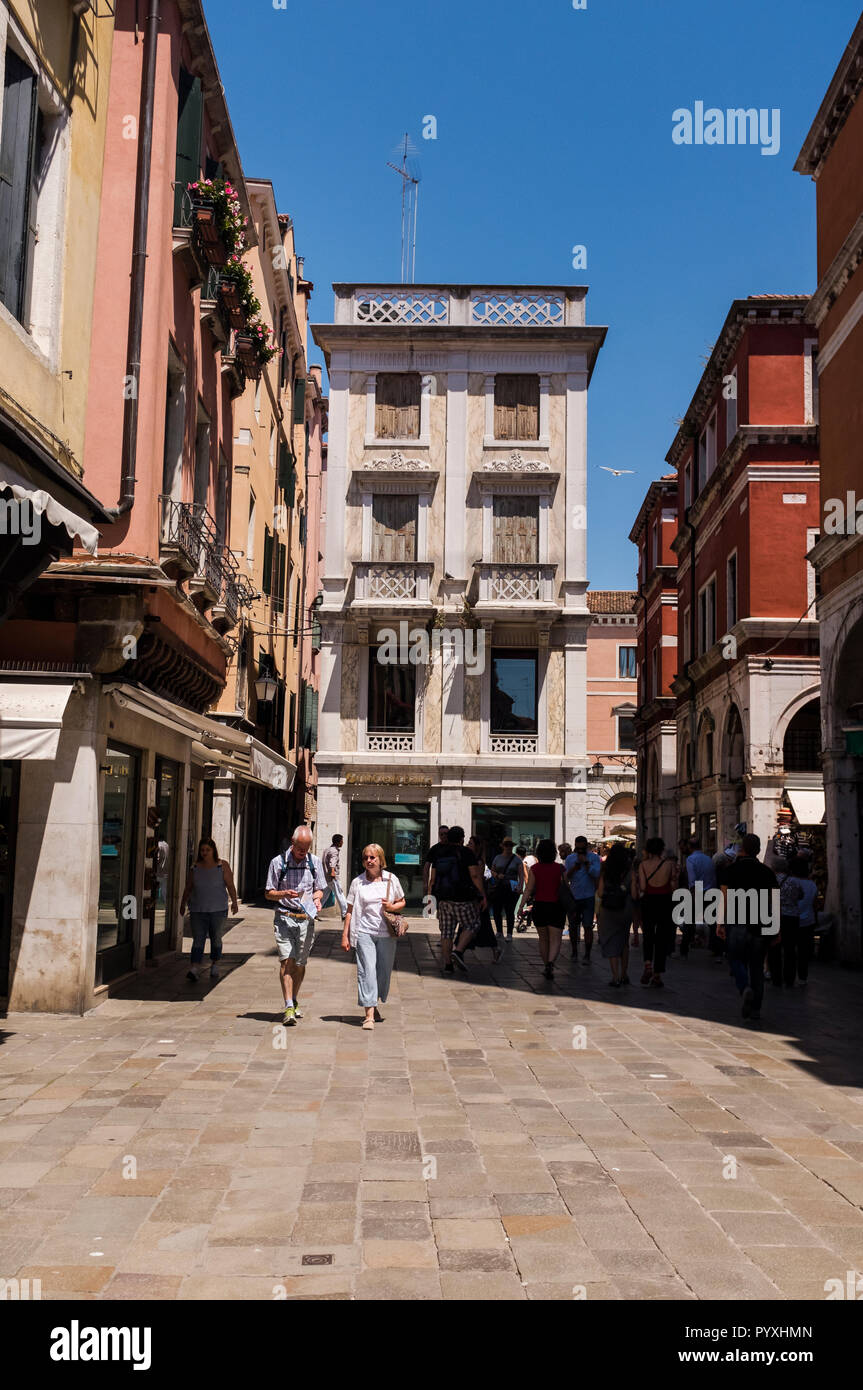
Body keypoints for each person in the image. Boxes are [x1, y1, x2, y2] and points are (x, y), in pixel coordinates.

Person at [265, 826, 327, 1026]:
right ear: (293, 843)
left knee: (300, 964)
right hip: (284, 917)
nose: (303, 851)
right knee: (286, 962)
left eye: (307, 847)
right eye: (300, 847)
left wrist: (317, 900)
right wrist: (284, 894)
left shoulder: (314, 862)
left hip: (305, 920)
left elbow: (320, 890)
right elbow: (268, 892)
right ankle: (289, 1006)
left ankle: (294, 998)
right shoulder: (278, 862)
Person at [341, 844, 406, 1030]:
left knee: (383, 973)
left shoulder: (391, 880)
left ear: (380, 860)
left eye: (372, 857)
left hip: (387, 934)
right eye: (365, 858)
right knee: (366, 971)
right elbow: (350, 910)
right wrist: (345, 935)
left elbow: (402, 901)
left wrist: (392, 907)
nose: (369, 861)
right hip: (364, 933)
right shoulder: (357, 882)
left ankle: (374, 1004)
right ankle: (368, 1014)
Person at [718, 833, 779, 1021]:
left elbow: (724, 899)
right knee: (757, 967)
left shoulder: (730, 870)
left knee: (736, 960)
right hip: (759, 925)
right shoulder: (767, 872)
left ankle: (745, 988)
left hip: (737, 923)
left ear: (741, 848)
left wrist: (720, 923)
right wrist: (776, 929)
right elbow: (774, 903)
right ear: (759, 850)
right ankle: (755, 1011)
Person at [428, 825, 486, 973]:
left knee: (446, 933)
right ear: (462, 838)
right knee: (473, 924)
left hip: (443, 900)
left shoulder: (439, 853)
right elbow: (474, 876)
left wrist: (430, 898)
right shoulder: (466, 853)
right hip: (463, 899)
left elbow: (433, 878)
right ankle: (458, 951)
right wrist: (482, 895)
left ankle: (448, 965)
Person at [180, 838, 238, 982]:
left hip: (218, 910)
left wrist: (235, 902)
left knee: (216, 938)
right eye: (202, 850)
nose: (205, 853)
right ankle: (194, 968)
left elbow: (230, 885)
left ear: (213, 851)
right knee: (198, 940)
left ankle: (215, 964)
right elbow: (188, 887)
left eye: (207, 850)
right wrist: (182, 903)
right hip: (197, 909)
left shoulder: (222, 866)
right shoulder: (195, 868)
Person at [634, 837, 678, 988]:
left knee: (648, 935)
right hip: (665, 902)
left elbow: (643, 887)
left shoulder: (643, 865)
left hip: (648, 901)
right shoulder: (669, 864)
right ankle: (658, 974)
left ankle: (647, 965)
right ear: (661, 849)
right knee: (662, 938)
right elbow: (673, 886)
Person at [524, 838, 566, 979]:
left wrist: (521, 907)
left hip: (540, 906)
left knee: (543, 939)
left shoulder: (535, 869)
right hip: (556, 906)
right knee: (555, 939)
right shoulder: (560, 868)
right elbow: (566, 887)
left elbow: (529, 889)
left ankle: (546, 965)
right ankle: (550, 963)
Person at [597, 843, 633, 986]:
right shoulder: (630, 869)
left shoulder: (605, 868)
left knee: (611, 940)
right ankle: (624, 974)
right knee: (624, 942)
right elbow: (635, 891)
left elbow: (600, 892)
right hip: (626, 907)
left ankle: (615, 976)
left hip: (608, 908)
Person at [769, 855, 805, 989]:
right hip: (792, 917)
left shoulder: (771, 880)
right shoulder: (795, 881)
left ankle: (776, 978)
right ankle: (789, 978)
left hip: (775, 916)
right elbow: (801, 896)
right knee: (790, 948)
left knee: (774, 948)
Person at [564, 837, 601, 962]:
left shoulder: (594, 858)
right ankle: (574, 952)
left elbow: (597, 874)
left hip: (588, 896)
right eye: (577, 848)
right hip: (574, 897)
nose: (580, 851)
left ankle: (587, 954)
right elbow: (567, 877)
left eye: (582, 849)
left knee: (587, 926)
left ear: (587, 847)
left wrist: (586, 864)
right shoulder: (570, 859)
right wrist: (575, 867)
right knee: (573, 926)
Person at [467, 836, 501, 962]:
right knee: (468, 924)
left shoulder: (479, 862)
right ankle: (458, 950)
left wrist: (483, 897)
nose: (468, 845)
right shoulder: (469, 859)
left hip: (478, 897)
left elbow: (479, 880)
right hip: (471, 896)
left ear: (476, 846)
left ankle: (495, 948)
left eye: (470, 843)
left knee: (484, 924)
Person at [685, 836, 716, 957]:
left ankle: (685, 946)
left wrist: (693, 893)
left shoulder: (691, 859)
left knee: (690, 920)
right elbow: (712, 876)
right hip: (711, 891)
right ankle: (714, 948)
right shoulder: (708, 858)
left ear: (690, 847)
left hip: (698, 891)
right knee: (712, 922)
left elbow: (692, 879)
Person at [489, 837, 523, 940]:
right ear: (503, 846)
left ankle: (509, 933)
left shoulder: (517, 859)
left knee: (509, 910)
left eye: (510, 845)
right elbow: (492, 870)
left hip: (511, 888)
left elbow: (521, 875)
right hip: (499, 886)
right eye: (506, 845)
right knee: (497, 910)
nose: (508, 847)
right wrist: (497, 875)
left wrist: (520, 887)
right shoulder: (497, 858)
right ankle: (499, 931)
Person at [793, 855, 819, 986]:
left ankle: (789, 976)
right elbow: (814, 904)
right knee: (803, 951)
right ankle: (803, 977)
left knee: (790, 949)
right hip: (808, 921)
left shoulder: (791, 882)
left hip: (791, 920)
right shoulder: (812, 885)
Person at [322, 833, 347, 920]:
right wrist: (332, 872)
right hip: (333, 877)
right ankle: (345, 913)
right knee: (340, 894)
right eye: (342, 841)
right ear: (339, 842)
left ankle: (314, 911)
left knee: (324, 895)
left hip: (326, 877)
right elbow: (332, 862)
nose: (342, 842)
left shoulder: (327, 849)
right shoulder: (334, 851)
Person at [423, 826, 450, 897]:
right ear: (439, 835)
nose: (444, 836)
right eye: (441, 834)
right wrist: (425, 883)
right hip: (438, 885)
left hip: (452, 884)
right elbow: (426, 867)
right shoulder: (434, 849)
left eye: (446, 833)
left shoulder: (454, 847)